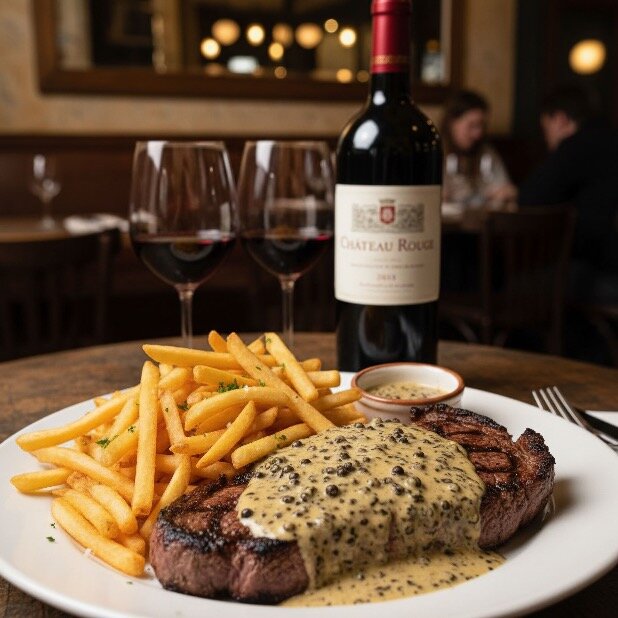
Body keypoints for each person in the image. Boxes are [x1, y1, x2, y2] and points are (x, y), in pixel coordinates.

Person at [519, 86, 618, 303]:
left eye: (545, 128)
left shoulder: (577, 146)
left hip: (601, 273)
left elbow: (529, 198)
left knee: (517, 286)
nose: (546, 138)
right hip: (606, 266)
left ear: (560, 120)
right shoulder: (609, 138)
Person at [441, 90, 516, 208]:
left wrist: (506, 193)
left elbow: (506, 189)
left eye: (482, 126)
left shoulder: (486, 152)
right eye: (472, 125)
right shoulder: (435, 153)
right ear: (452, 122)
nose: (478, 134)